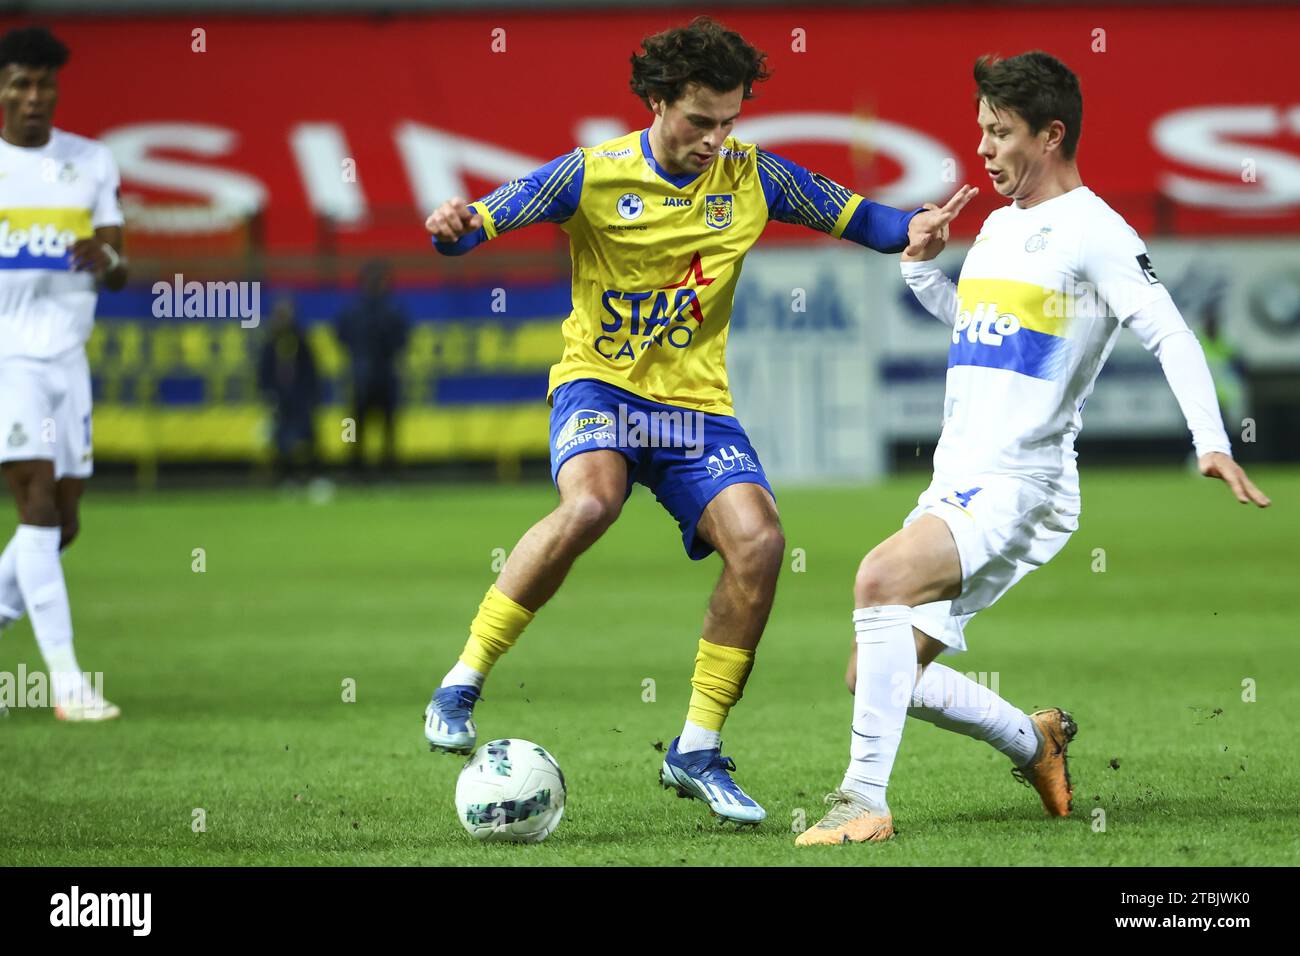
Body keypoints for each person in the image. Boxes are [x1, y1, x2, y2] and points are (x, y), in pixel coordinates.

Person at [424, 16, 970, 824]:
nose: (717, 138)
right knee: (591, 502)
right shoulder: (589, 174)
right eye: (699, 120)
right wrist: (455, 227)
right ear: (656, 101)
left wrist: (913, 229)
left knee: (761, 542)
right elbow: (475, 226)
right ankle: (462, 680)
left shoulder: (755, 177)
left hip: (694, 412)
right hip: (600, 390)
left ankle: (696, 749)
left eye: (729, 120)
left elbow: (862, 219)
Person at [796, 51, 1271, 846]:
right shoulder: (999, 225)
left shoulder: (1096, 233)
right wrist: (922, 277)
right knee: (876, 676)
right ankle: (1035, 739)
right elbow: (984, 337)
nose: (981, 148)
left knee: (877, 576)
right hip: (961, 479)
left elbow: (1169, 332)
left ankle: (862, 802)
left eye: (999, 131)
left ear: (1051, 135)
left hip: (1023, 483)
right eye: (980, 128)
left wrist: (1211, 441)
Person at [0, 26, 126, 721]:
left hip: (67, 360)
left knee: (61, 523)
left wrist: (102, 259)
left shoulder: (90, 161)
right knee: (37, 506)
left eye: (44, 83)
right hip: (6, 358)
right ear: (1, 90)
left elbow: (121, 263)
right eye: (20, 83)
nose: (34, 96)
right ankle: (69, 685)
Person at [335, 261, 408, 478]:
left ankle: (385, 469)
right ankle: (357, 468)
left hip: (380, 374)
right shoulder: (359, 309)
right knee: (358, 427)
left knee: (386, 427)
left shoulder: (390, 309)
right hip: (365, 375)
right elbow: (342, 335)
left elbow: (401, 339)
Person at [257, 299, 320, 484]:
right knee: (281, 441)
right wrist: (269, 394)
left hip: (301, 398)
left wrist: (311, 395)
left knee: (308, 439)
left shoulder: (300, 339)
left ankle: (313, 477)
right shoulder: (271, 342)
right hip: (280, 399)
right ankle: (285, 478)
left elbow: (311, 370)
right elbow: (264, 372)